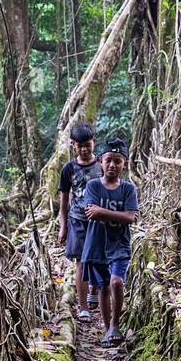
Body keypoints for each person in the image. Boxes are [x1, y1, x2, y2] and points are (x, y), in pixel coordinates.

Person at [82, 139, 139, 345]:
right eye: (109, 161)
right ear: (100, 162)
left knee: (116, 282)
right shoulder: (93, 185)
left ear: (125, 164)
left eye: (118, 161)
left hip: (120, 244)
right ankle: (108, 330)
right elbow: (91, 213)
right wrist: (119, 214)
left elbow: (131, 217)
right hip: (96, 244)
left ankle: (115, 324)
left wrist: (102, 211)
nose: (113, 165)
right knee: (104, 287)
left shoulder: (128, 189)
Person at [57, 123, 103, 321]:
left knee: (100, 261)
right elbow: (64, 201)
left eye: (88, 144)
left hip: (101, 221)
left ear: (94, 142)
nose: (84, 149)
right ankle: (83, 306)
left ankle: (94, 291)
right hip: (77, 220)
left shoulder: (102, 164)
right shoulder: (69, 169)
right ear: (73, 145)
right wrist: (63, 226)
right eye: (80, 145)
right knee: (81, 263)